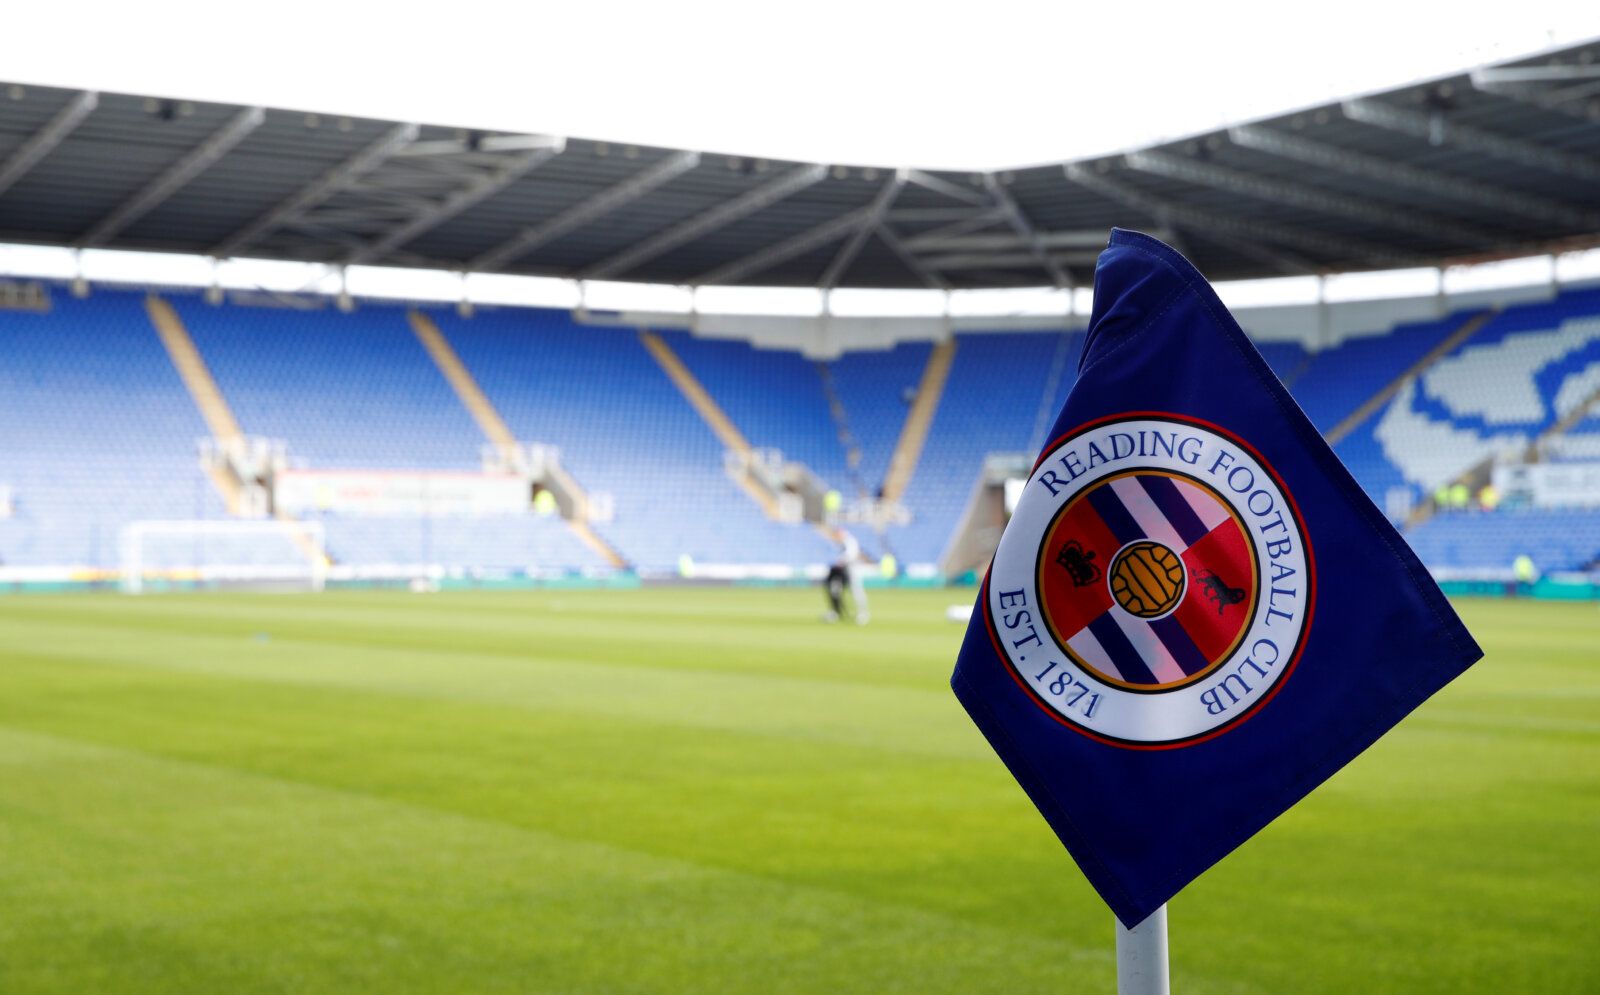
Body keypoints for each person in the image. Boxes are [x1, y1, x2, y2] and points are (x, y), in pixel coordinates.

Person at [822, 529, 869, 624]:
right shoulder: (841, 544)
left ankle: (863, 613)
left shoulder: (850, 542)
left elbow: (849, 556)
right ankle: (836, 612)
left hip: (852, 571)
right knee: (835, 590)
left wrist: (840, 561)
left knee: (856, 591)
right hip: (842, 571)